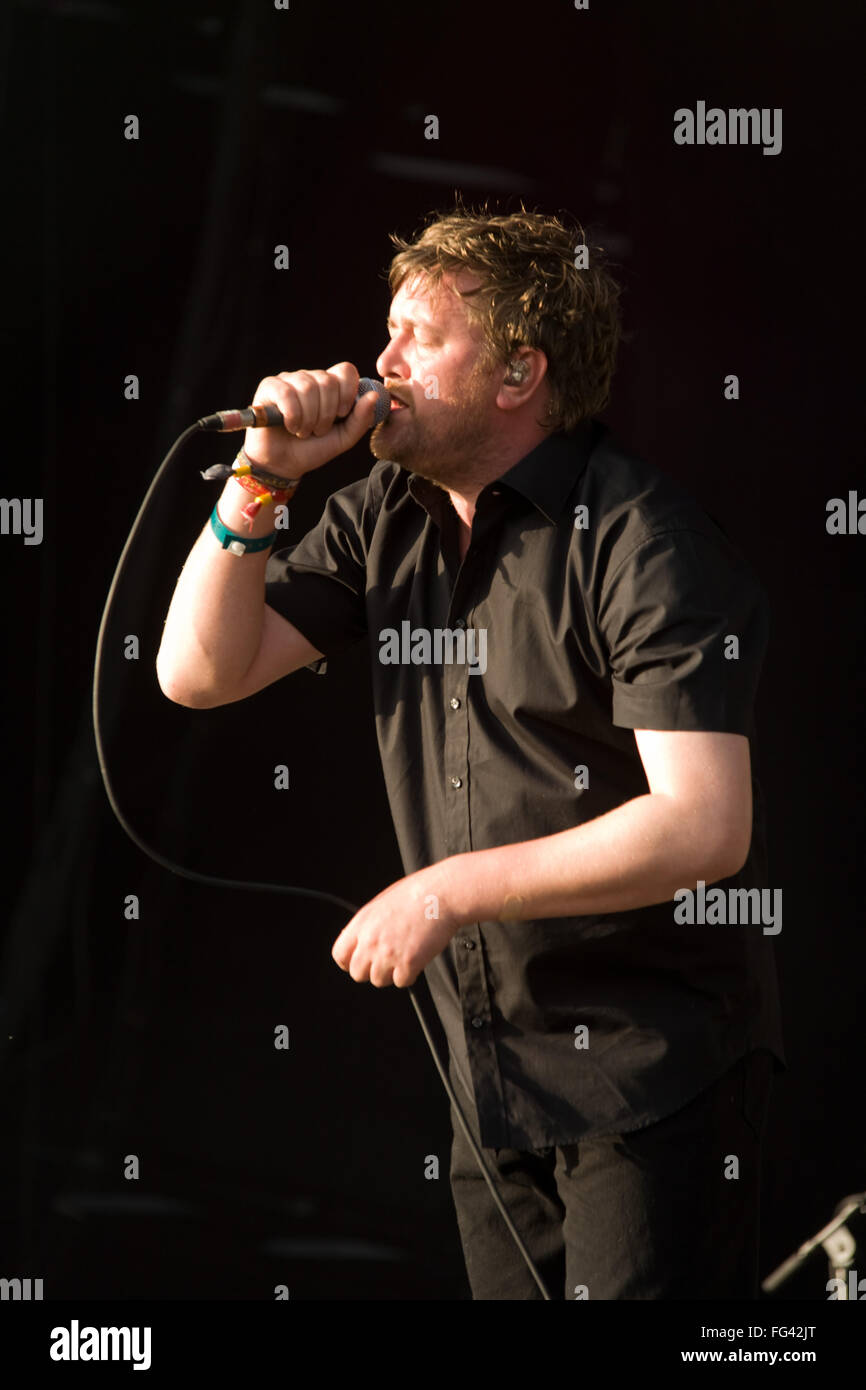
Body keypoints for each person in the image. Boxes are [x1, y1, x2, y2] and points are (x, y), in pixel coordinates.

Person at [157, 206, 785, 1300]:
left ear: (516, 377)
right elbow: (197, 672)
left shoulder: (643, 540)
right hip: (489, 1069)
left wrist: (447, 891)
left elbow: (702, 825)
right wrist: (262, 475)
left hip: (652, 1075)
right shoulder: (380, 515)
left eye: (417, 336)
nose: (376, 363)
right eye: (383, 331)